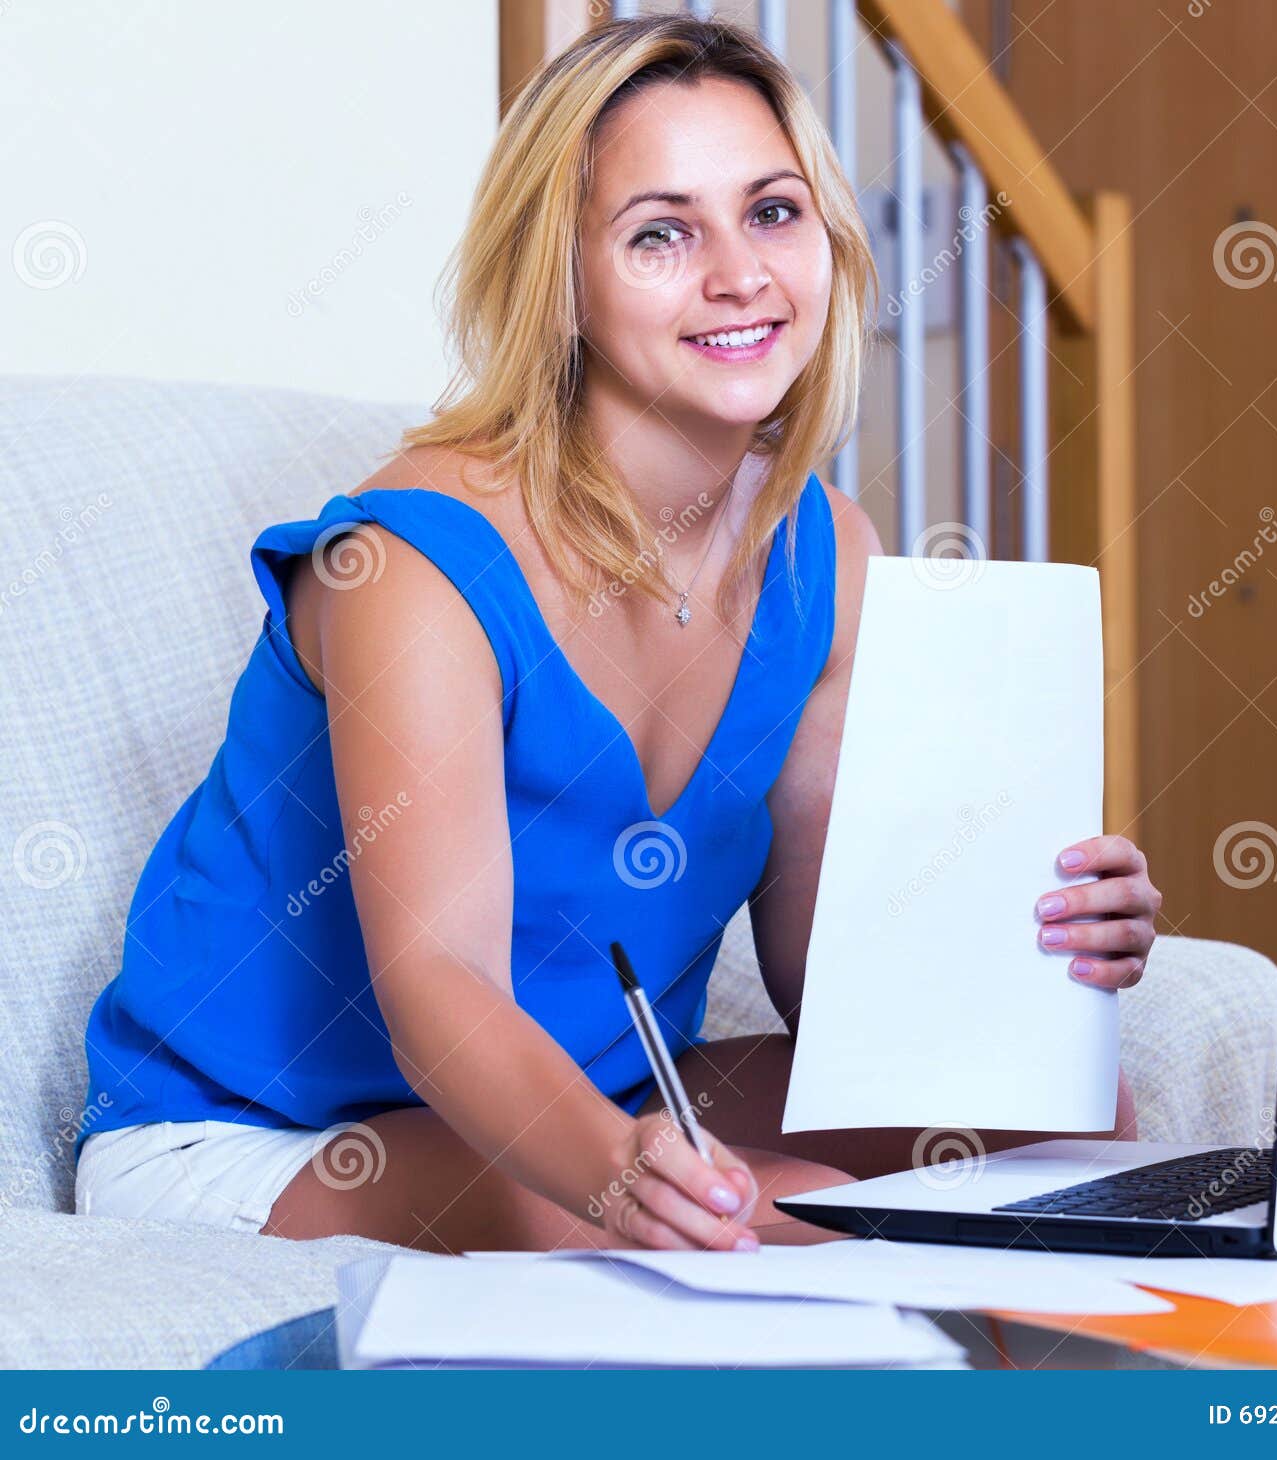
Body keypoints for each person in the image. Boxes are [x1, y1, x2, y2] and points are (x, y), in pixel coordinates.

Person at [75, 15, 1161, 1255]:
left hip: (609, 1093)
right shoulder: (410, 565)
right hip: (259, 1131)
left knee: (1062, 1126)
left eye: (771, 212)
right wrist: (618, 1173)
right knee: (761, 1216)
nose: (740, 274)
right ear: (564, 283)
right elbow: (444, 990)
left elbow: (823, 983)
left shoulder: (828, 552)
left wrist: (1029, 941)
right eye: (661, 232)